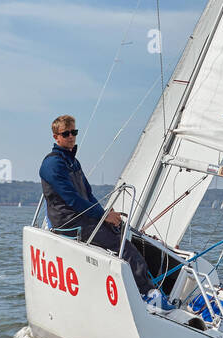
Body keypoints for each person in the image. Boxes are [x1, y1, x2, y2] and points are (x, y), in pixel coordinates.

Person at [39, 115, 159, 302]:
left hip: (81, 217)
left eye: (74, 132)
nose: (71, 136)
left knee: (120, 229)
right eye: (66, 133)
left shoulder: (72, 162)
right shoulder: (52, 164)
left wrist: (107, 214)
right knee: (121, 245)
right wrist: (102, 217)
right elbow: (72, 199)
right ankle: (148, 294)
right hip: (68, 222)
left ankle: (144, 287)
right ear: (56, 137)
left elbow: (88, 194)